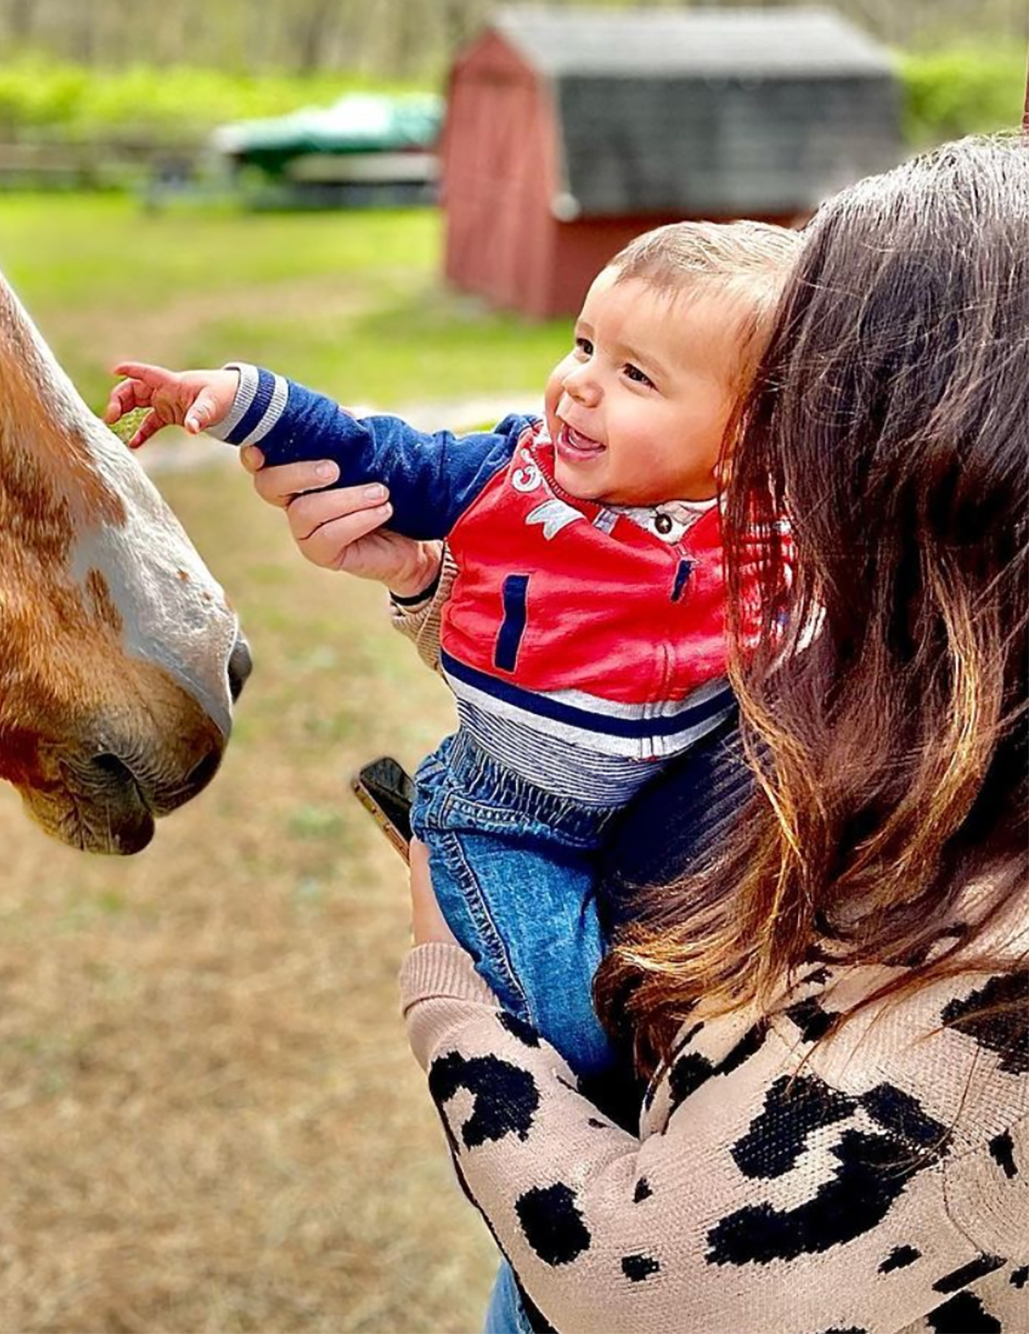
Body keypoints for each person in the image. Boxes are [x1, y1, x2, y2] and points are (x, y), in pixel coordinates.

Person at [244, 139, 1029, 1333]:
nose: (775, 447)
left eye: (810, 396)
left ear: (943, 447)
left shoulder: (976, 849)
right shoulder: (878, 629)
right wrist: (434, 594)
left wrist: (450, 1003)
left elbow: (653, 1279)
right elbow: (673, 702)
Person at [106, 221, 800, 1097]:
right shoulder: (512, 478)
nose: (580, 386)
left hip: (646, 808)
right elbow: (377, 454)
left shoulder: (770, 534)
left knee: (663, 1005)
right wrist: (245, 399)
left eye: (635, 375)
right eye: (585, 345)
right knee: (587, 1036)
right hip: (508, 820)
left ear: (744, 440)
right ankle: (557, 1201)